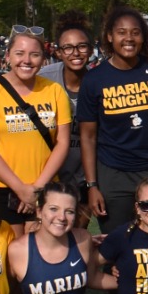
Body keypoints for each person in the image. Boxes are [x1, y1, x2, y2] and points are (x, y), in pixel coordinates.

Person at [78, 6, 148, 233]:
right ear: (110, 36)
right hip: (114, 173)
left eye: (135, 32)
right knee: (117, 242)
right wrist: (92, 186)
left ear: (143, 37)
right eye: (121, 32)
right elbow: (88, 137)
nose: (128, 38)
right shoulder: (94, 79)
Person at [0, 28, 72, 224]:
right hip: (2, 188)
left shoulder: (54, 90)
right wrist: (20, 189)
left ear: (43, 58)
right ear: (8, 56)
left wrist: (37, 188)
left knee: (43, 252)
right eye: (19, 53)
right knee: (11, 252)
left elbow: (62, 143)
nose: (27, 61)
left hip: (46, 188)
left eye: (34, 54)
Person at [39, 16, 93, 193]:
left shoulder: (100, 81)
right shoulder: (44, 79)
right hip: (48, 175)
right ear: (58, 52)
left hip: (86, 176)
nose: (75, 53)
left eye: (82, 46)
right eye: (68, 47)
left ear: (91, 49)